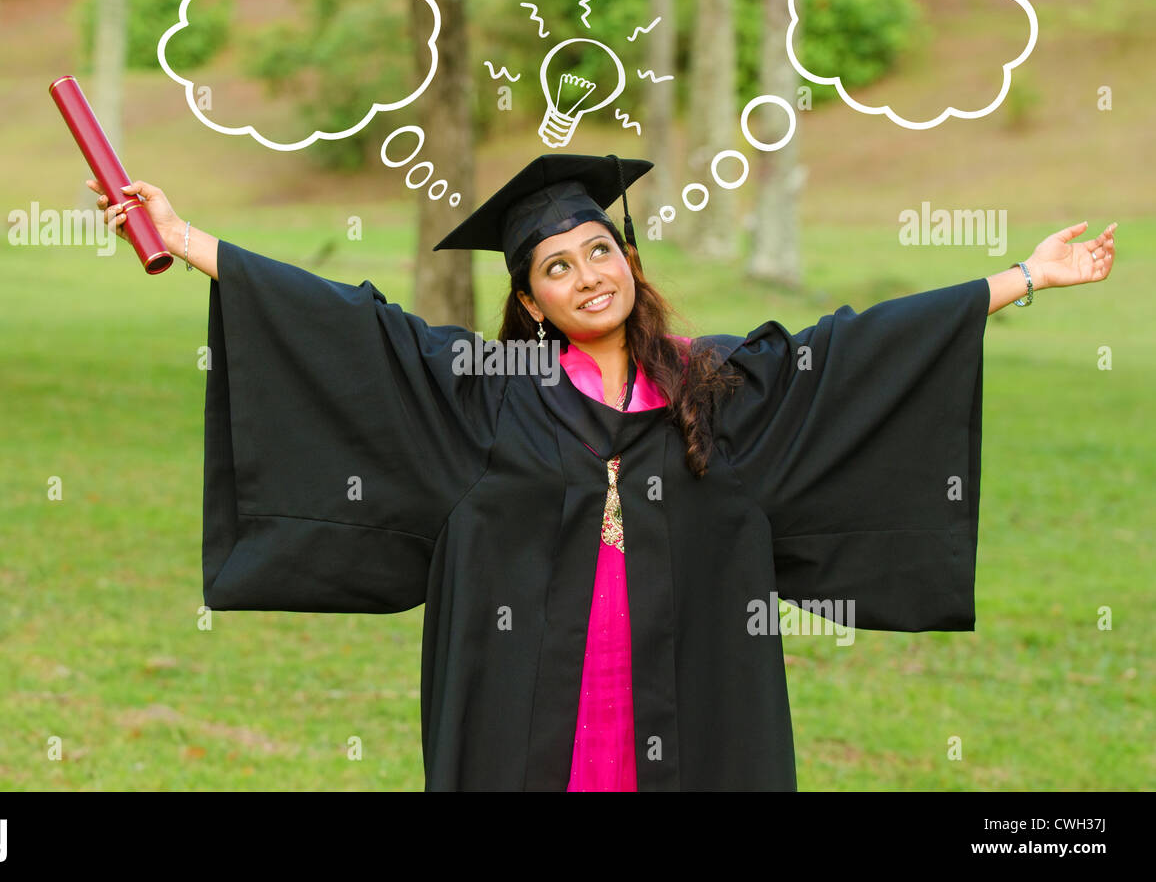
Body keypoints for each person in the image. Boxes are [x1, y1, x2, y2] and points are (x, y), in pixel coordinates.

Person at [87, 155, 1116, 791]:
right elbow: (358, 337)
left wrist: (1022, 277)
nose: (589, 275)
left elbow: (855, 352)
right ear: (530, 302)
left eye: (598, 250)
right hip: (532, 713)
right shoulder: (484, 392)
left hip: (690, 700)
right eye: (557, 266)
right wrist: (186, 241)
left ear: (629, 259)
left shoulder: (718, 385)